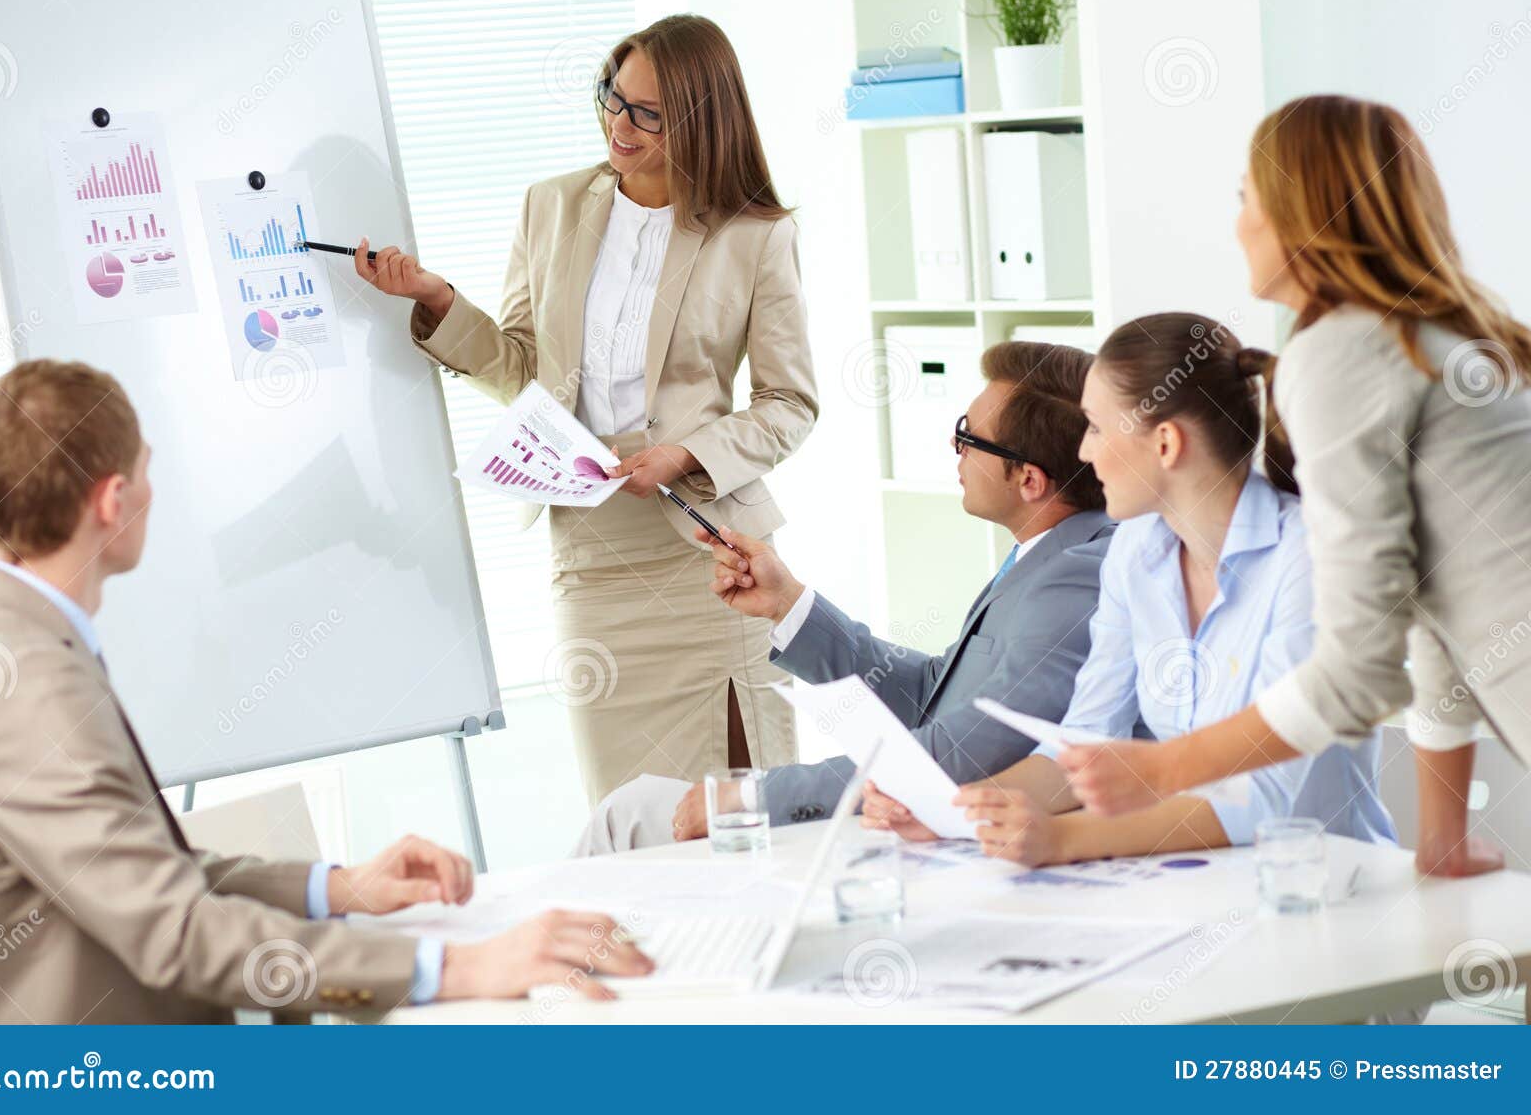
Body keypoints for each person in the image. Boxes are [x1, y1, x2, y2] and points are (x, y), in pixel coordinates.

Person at [0, 359, 650, 1024]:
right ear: (113, 501)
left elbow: (141, 875)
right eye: (146, 471)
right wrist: (457, 966)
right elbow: (176, 931)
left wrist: (337, 888)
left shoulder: (5, 643)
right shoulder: (27, 688)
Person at [1054, 96, 1531, 886]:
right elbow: (1432, 611)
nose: (1239, 223)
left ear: (1301, 209)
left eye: (1248, 197)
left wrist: (1164, 767)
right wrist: (1442, 838)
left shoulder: (1343, 352)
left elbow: (1357, 674)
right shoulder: (1444, 338)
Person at [353, 14, 818, 804]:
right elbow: (523, 371)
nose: (618, 123)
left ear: (701, 121)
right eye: (611, 96)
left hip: (709, 559)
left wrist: (683, 455)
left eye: (647, 114)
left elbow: (789, 403)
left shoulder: (754, 235)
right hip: (593, 558)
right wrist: (438, 300)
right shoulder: (552, 206)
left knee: (740, 810)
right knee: (626, 814)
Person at [862, 314, 1396, 864]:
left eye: (1095, 427)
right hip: (1203, 878)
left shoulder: (1307, 561)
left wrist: (1067, 839)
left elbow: (1266, 798)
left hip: (1327, 879)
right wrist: (948, 810)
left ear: (1165, 442)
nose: (1083, 453)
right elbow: (1085, 743)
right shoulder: (1134, 553)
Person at [574, 341, 1113, 854]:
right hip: (916, 809)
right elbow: (932, 694)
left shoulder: (1073, 579)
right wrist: (787, 603)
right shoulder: (1046, 556)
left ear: (1030, 481)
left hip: (935, 825)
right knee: (630, 808)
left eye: (968, 436)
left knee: (627, 814)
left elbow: (962, 752)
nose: (955, 447)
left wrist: (753, 797)